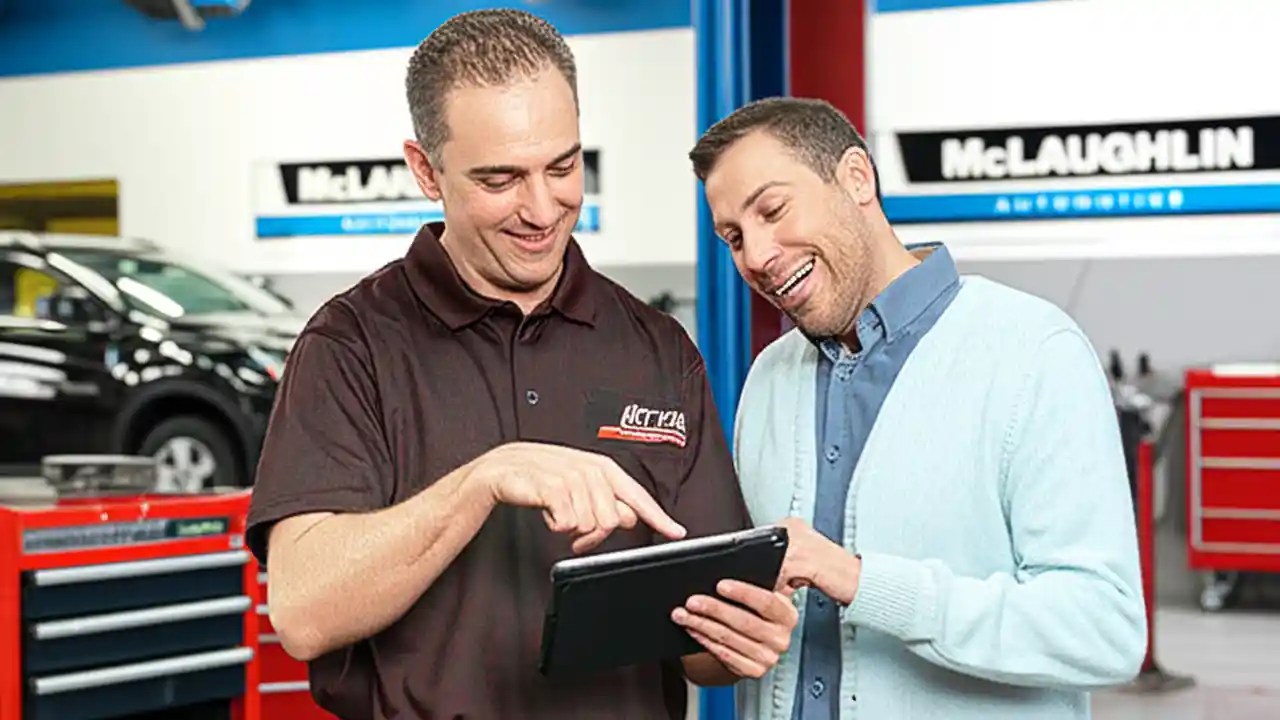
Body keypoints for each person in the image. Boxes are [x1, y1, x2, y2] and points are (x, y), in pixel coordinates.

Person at [244, 10, 797, 720]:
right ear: (425, 170)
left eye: (563, 167)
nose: (543, 208)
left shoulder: (657, 347)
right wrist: (483, 480)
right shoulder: (351, 347)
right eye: (501, 179)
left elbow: (705, 655)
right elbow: (305, 612)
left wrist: (745, 630)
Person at [676, 96, 1147, 719]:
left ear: (856, 178)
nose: (756, 256)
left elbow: (1104, 629)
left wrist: (860, 581)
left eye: (773, 209)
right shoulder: (769, 376)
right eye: (733, 236)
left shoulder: (1034, 352)